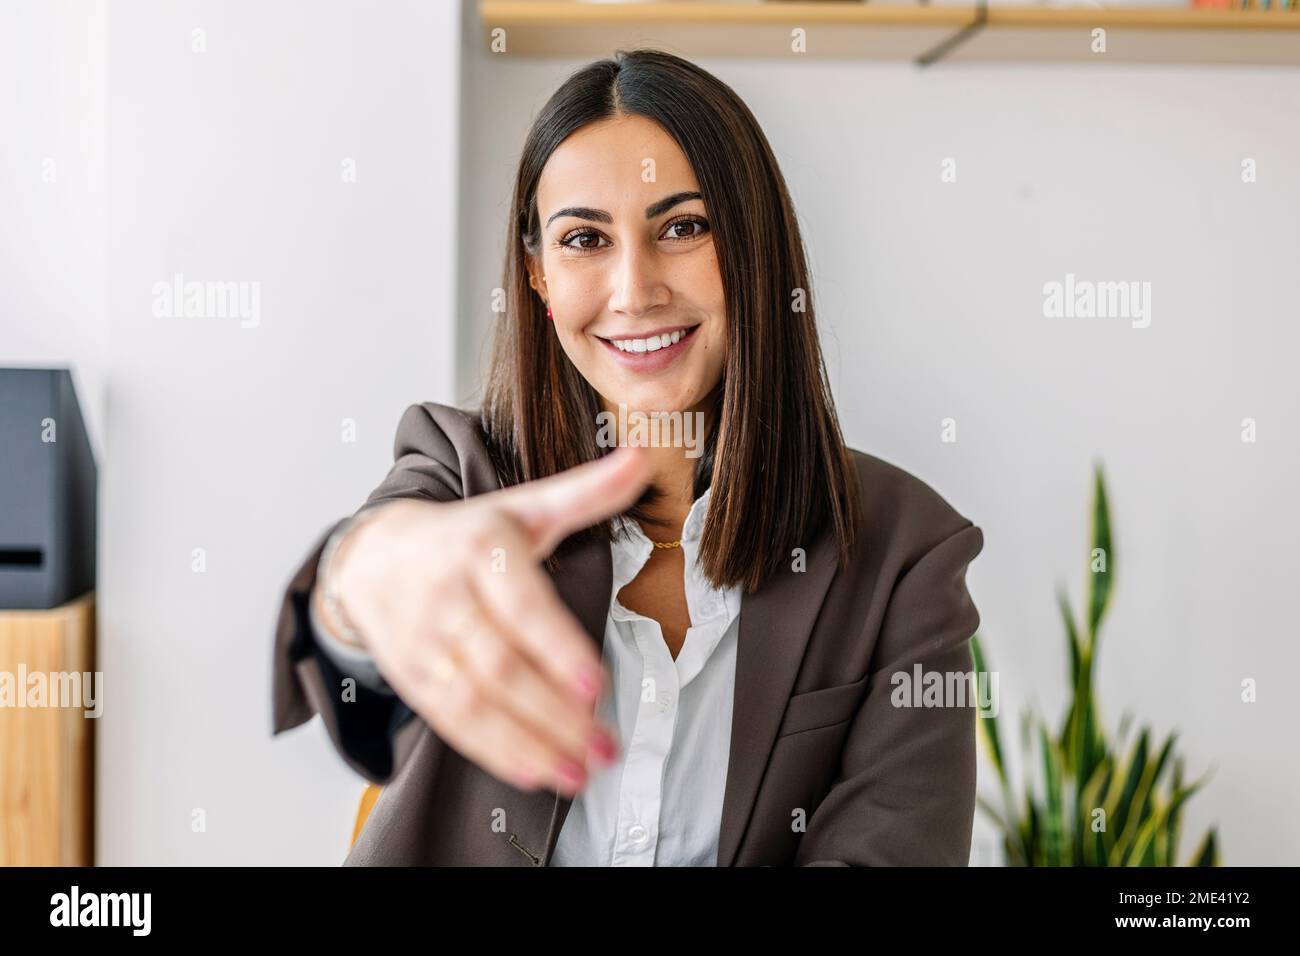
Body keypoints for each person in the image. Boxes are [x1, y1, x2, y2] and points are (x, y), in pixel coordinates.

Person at [271, 48, 985, 866]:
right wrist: (361, 581)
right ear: (538, 275)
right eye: (584, 239)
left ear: (753, 247)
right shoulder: (461, 473)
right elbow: (359, 614)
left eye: (683, 228)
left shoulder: (902, 552)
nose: (635, 290)